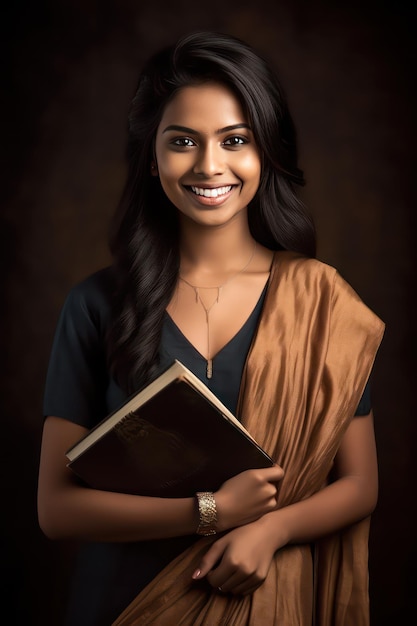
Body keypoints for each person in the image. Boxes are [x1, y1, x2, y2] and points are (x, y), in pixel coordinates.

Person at [37, 31, 385, 626]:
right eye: (182, 142)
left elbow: (359, 485)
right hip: (122, 603)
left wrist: (271, 530)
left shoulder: (322, 301)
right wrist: (209, 512)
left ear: (264, 152)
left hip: (268, 600)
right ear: (152, 156)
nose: (209, 165)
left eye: (234, 140)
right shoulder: (97, 303)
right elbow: (56, 509)